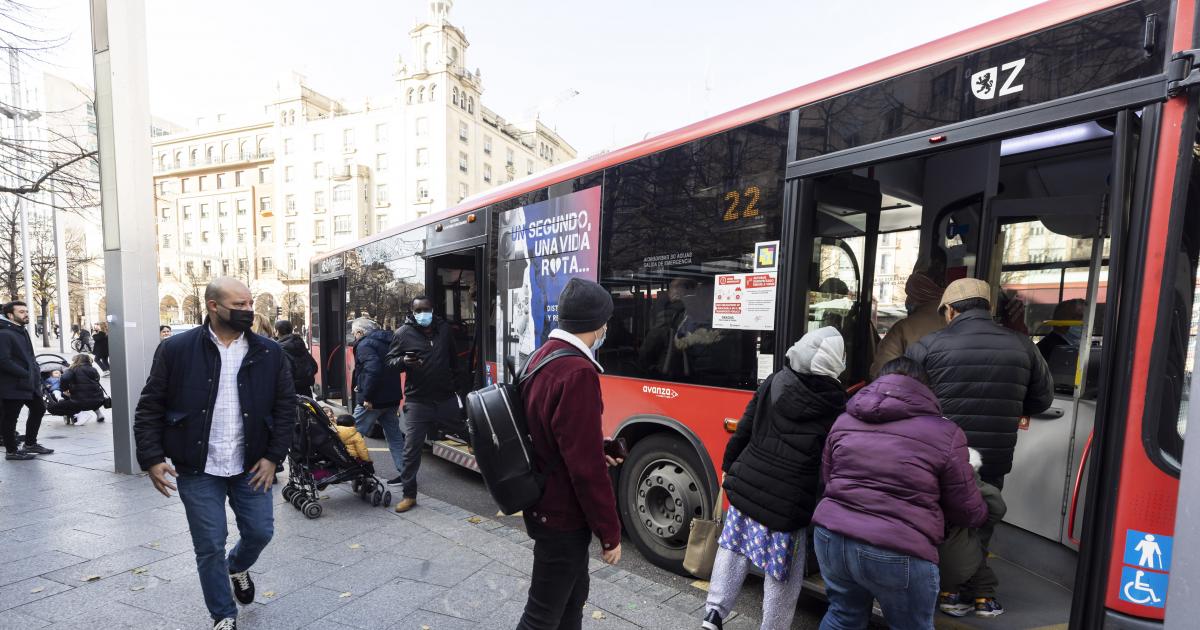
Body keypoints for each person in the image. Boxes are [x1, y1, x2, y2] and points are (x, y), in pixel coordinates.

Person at [134, 277, 296, 630]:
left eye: (249, 304)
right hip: (197, 467)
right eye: (239, 305)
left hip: (252, 463)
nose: (248, 310)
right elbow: (150, 406)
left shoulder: (270, 352)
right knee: (209, 545)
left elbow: (286, 409)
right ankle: (223, 615)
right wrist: (152, 458)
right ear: (213, 306)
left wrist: (273, 457)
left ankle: (237, 566)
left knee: (260, 532)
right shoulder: (176, 349)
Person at [905, 278, 1054, 616]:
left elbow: (908, 397)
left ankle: (950, 590)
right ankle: (978, 593)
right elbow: (1041, 399)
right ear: (988, 308)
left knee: (945, 521)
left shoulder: (927, 345)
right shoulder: (1023, 345)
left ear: (950, 310)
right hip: (994, 456)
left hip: (941, 454)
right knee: (981, 520)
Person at [812, 357, 988, 629]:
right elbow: (966, 510)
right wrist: (983, 512)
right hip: (898, 547)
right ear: (926, 389)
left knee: (842, 616)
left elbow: (827, 477)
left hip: (831, 537)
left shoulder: (844, 421)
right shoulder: (945, 433)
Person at [702, 327, 848, 630]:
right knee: (782, 570)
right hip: (790, 502)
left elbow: (745, 427)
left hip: (748, 483)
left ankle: (713, 614)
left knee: (733, 549)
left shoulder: (775, 381)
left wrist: (728, 465)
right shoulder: (836, 404)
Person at [516, 278, 621, 630]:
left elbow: (551, 432)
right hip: (562, 514)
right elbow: (586, 469)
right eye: (606, 321)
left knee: (572, 601)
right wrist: (610, 533)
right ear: (598, 324)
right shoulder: (578, 372)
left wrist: (595, 446)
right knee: (541, 617)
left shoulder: (541, 356)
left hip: (543, 501)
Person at [384, 296, 463, 513]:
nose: (422, 314)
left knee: (469, 433)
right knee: (411, 450)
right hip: (418, 401)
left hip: (446, 398)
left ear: (432, 309)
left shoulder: (444, 330)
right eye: (418, 311)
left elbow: (454, 360)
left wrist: (460, 389)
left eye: (426, 309)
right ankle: (409, 495)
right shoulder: (403, 333)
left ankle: (497, 479)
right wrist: (403, 361)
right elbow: (389, 362)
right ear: (412, 312)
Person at [937, 448, 1008, 618]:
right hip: (961, 545)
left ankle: (949, 597)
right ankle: (984, 601)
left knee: (955, 556)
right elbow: (998, 507)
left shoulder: (932, 479)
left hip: (933, 546)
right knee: (976, 554)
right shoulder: (970, 482)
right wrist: (982, 524)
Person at [349, 317, 405, 486]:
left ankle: (352, 471)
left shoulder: (365, 344)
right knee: (395, 437)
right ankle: (406, 474)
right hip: (392, 398)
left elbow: (373, 369)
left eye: (354, 333)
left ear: (360, 332)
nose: (354, 336)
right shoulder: (388, 341)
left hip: (373, 401)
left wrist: (367, 396)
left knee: (351, 434)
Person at [0, 301, 55, 460]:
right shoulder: (4, 333)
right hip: (13, 384)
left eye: (26, 311)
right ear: (10, 315)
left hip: (28, 383)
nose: (26, 314)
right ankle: (11, 451)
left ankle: (30, 444)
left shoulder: (20, 330)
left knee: (38, 409)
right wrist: (25, 373)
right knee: (10, 417)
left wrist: (34, 372)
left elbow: (28, 356)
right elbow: (3, 360)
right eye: (21, 312)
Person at [869, 270, 945, 378]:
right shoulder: (957, 321)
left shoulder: (903, 329)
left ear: (918, 296)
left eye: (909, 295)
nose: (906, 301)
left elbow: (882, 371)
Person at [59, 354, 107, 424]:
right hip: (98, 398)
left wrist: (65, 389)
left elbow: (64, 378)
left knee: (65, 395)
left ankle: (77, 415)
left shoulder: (72, 369)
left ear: (76, 360)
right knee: (90, 397)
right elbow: (97, 379)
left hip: (79, 400)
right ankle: (99, 414)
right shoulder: (93, 369)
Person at [275, 320, 317, 397]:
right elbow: (314, 366)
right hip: (306, 391)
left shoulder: (278, 349)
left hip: (290, 392)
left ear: (277, 332)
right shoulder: (300, 344)